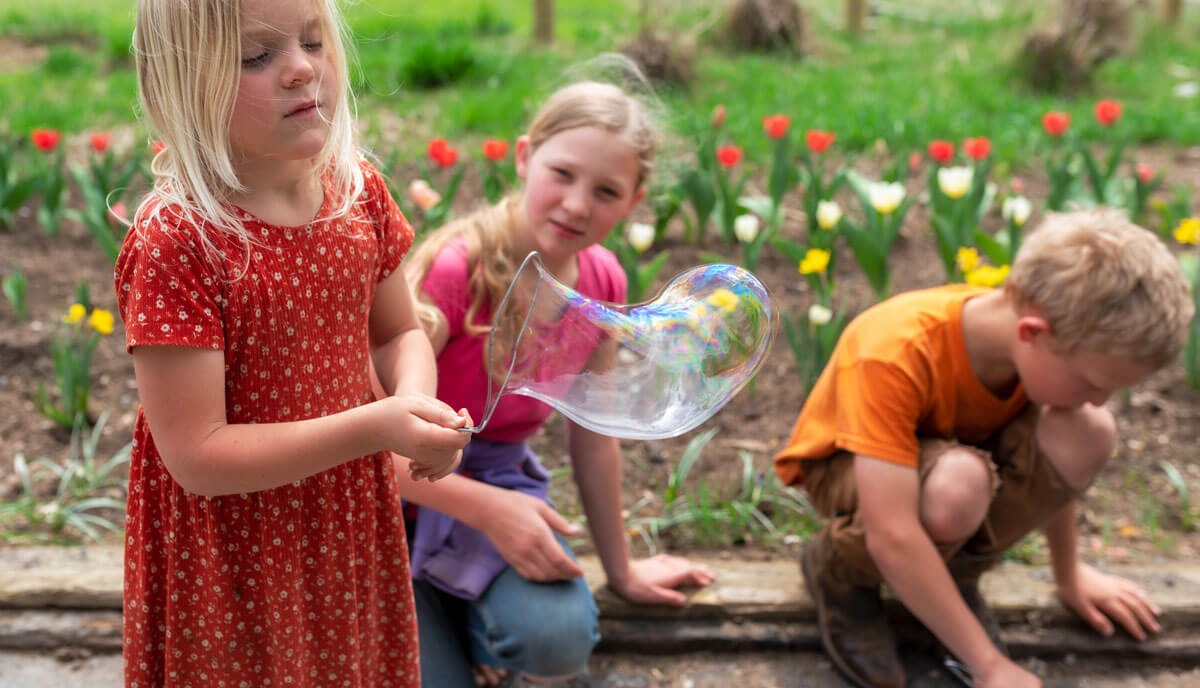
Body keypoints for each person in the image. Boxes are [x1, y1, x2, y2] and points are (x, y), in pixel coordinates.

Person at [115, 0, 471, 687]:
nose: (301, 70)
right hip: (232, 552)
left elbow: (398, 333)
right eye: (257, 55)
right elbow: (199, 456)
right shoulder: (181, 241)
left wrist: (415, 408)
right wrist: (376, 425)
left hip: (343, 525)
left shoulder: (355, 192)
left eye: (314, 40)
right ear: (182, 79)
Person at [774, 208, 1194, 688]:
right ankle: (841, 572)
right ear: (1032, 333)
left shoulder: (1036, 354)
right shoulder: (894, 351)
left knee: (1088, 432)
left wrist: (1070, 576)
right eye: (1092, 382)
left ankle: (947, 579)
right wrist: (989, 666)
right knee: (959, 487)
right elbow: (893, 533)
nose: (1100, 398)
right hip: (847, 468)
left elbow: (1053, 474)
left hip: (953, 464)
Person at [400, 81, 716, 687]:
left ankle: (471, 621)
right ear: (524, 157)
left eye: (606, 192)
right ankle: (438, 617)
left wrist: (622, 572)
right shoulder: (454, 272)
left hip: (495, 485)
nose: (576, 205)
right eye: (562, 173)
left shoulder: (602, 280)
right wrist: (490, 511)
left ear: (634, 202)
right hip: (394, 498)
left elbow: (592, 437)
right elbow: (365, 447)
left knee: (558, 640)